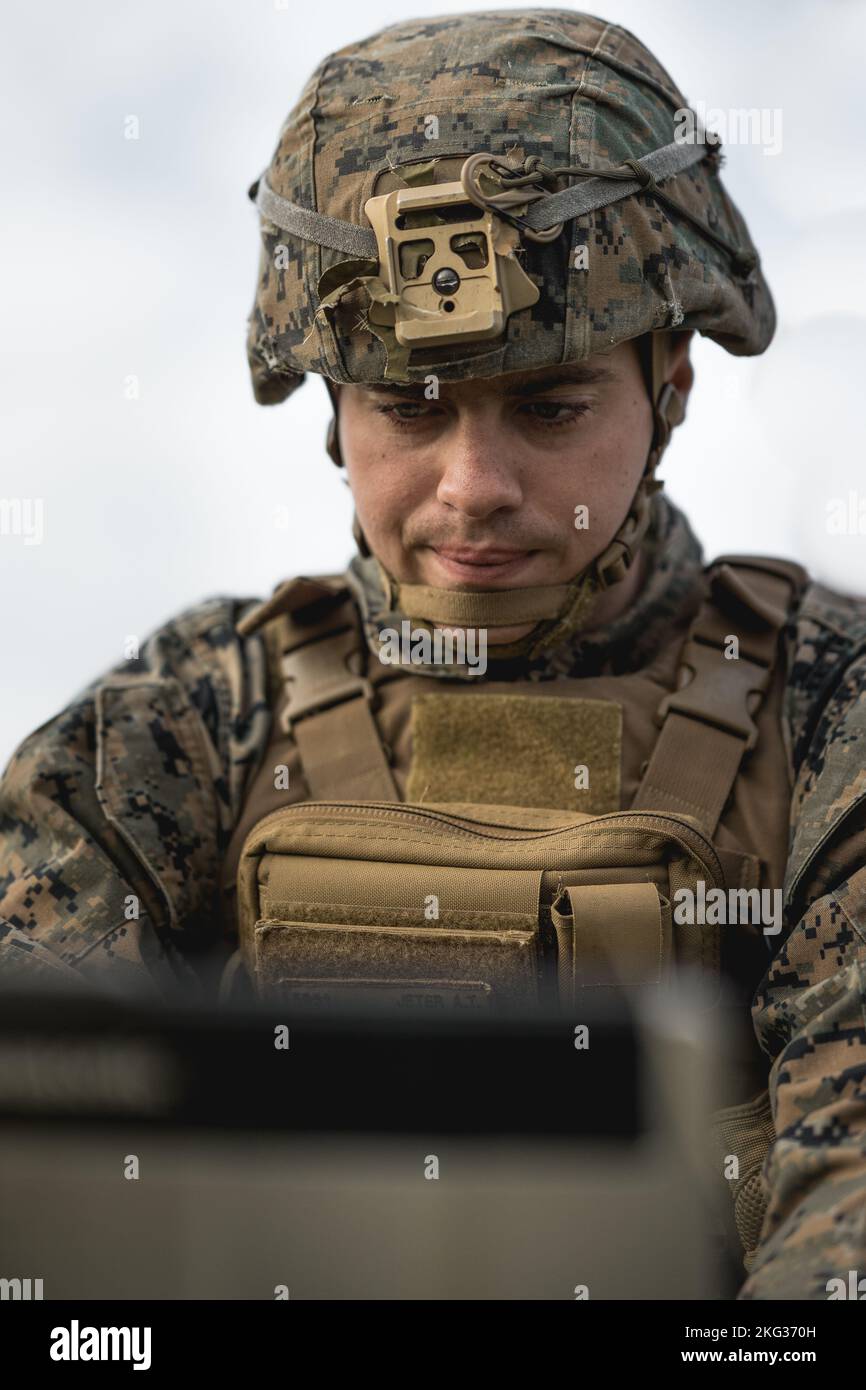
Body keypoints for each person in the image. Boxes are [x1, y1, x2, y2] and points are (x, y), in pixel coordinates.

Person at [1, 10, 864, 1302]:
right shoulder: (190, 716)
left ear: (669, 380)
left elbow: (844, 1195)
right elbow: (39, 1140)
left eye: (549, 405)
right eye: (405, 407)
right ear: (331, 415)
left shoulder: (829, 706)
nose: (473, 486)